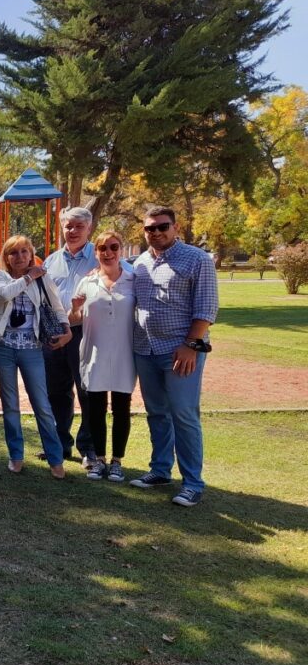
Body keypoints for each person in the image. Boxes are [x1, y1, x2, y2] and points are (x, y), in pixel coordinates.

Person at [129, 206, 218, 507]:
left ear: (175, 227)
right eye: (150, 229)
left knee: (183, 413)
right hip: (146, 349)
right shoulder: (139, 263)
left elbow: (207, 308)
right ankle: (160, 470)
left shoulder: (197, 259)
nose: (156, 233)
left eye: (162, 226)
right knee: (157, 413)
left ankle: (192, 482)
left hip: (181, 351)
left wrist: (191, 345)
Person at [0, 235, 72, 478]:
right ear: (6, 257)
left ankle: (55, 459)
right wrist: (28, 277)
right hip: (3, 347)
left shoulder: (41, 278)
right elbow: (4, 294)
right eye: (14, 253)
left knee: (42, 404)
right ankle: (16, 456)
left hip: (32, 348)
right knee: (10, 405)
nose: (20, 257)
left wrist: (66, 329)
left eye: (25, 251)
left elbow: (56, 306)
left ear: (31, 254)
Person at [68, 231, 136, 483]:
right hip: (94, 353)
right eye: (102, 248)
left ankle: (117, 461)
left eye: (113, 247)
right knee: (95, 409)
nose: (108, 253)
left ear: (121, 249)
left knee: (121, 408)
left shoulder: (133, 279)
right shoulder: (87, 282)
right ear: (95, 253)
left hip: (124, 353)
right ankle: (98, 459)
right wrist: (75, 308)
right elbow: (73, 319)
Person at [40, 206, 99, 468]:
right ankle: (60, 444)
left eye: (78, 226)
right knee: (57, 392)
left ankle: (89, 448)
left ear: (89, 228)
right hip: (54, 334)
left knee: (88, 390)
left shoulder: (100, 258)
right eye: (68, 226)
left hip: (86, 333)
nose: (72, 231)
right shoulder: (51, 261)